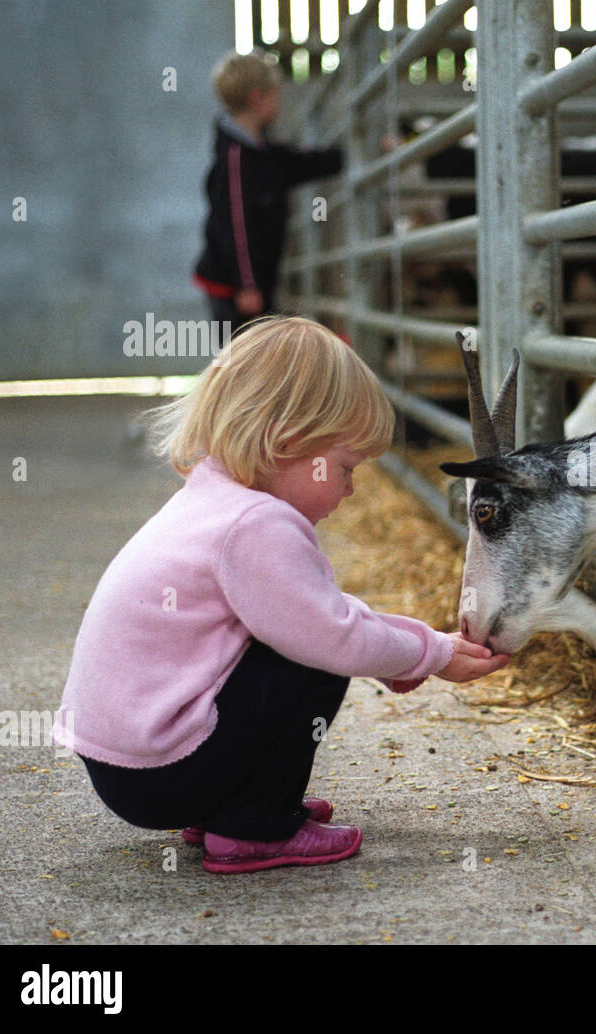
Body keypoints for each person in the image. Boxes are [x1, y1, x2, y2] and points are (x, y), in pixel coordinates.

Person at [52, 317, 508, 873]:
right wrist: (430, 656)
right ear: (287, 441)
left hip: (129, 766)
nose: (351, 487)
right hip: (163, 771)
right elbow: (329, 634)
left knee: (301, 644)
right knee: (312, 662)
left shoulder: (214, 498)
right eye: (345, 466)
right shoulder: (255, 523)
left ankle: (235, 803)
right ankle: (255, 826)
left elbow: (319, 613)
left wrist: (418, 646)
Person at [193, 52, 343, 327]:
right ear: (257, 98)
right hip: (235, 287)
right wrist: (247, 284)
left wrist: (347, 155)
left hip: (251, 281)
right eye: (275, 95)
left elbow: (301, 163)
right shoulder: (236, 159)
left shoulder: (261, 151)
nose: (279, 103)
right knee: (243, 355)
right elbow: (236, 223)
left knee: (254, 350)